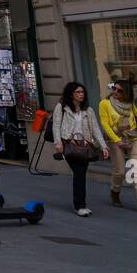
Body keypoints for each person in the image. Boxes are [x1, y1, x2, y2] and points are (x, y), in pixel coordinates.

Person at [99, 78, 137, 215]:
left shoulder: (130, 104)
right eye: (114, 89)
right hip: (116, 139)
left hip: (133, 137)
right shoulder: (105, 103)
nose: (116, 92)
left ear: (126, 93)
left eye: (120, 90)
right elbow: (105, 124)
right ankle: (115, 191)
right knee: (120, 171)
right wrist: (116, 140)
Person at [52, 81, 107, 217]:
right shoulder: (62, 107)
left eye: (82, 92)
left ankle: (81, 204)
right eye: (77, 92)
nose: (81, 94)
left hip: (84, 146)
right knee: (79, 173)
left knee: (81, 174)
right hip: (69, 145)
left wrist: (103, 146)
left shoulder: (88, 110)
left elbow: (95, 129)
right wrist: (58, 143)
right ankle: (80, 206)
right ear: (71, 94)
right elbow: (56, 125)